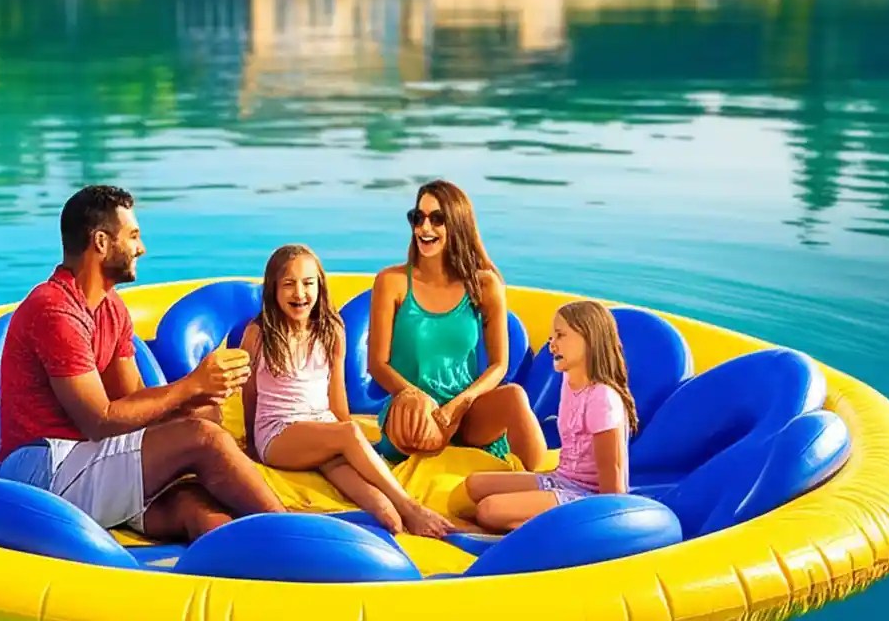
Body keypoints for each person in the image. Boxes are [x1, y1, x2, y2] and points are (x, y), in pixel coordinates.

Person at [0, 184, 286, 542]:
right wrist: (191, 386)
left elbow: (132, 398)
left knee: (194, 500)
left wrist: (195, 402)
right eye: (133, 235)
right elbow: (99, 420)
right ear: (101, 242)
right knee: (203, 439)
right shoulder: (55, 309)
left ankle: (252, 573)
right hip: (41, 471)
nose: (142, 248)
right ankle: (297, 537)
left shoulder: (110, 307)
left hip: (86, 460)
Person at [240, 244, 455, 538]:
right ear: (273, 289)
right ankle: (411, 507)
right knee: (348, 434)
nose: (299, 293)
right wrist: (252, 443)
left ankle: (397, 518)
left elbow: (336, 397)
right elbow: (249, 391)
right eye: (288, 284)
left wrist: (354, 445)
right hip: (279, 432)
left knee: (382, 507)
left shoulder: (331, 330)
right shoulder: (259, 334)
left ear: (320, 285)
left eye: (308, 283)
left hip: (323, 427)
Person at [367, 180, 548, 470]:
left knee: (515, 396)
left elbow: (499, 366)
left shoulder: (484, 285)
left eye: (437, 219)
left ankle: (543, 486)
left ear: (457, 223)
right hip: (411, 410)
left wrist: (460, 404)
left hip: (465, 409)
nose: (424, 228)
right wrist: (417, 396)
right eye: (418, 217)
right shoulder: (392, 282)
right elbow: (377, 364)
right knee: (418, 415)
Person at [459, 300, 638, 532]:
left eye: (561, 336)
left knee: (489, 510)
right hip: (562, 479)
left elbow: (613, 482)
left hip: (586, 497)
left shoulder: (603, 399)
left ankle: (549, 532)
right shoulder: (570, 381)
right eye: (552, 336)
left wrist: (603, 524)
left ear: (589, 339)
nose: (552, 345)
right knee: (475, 485)